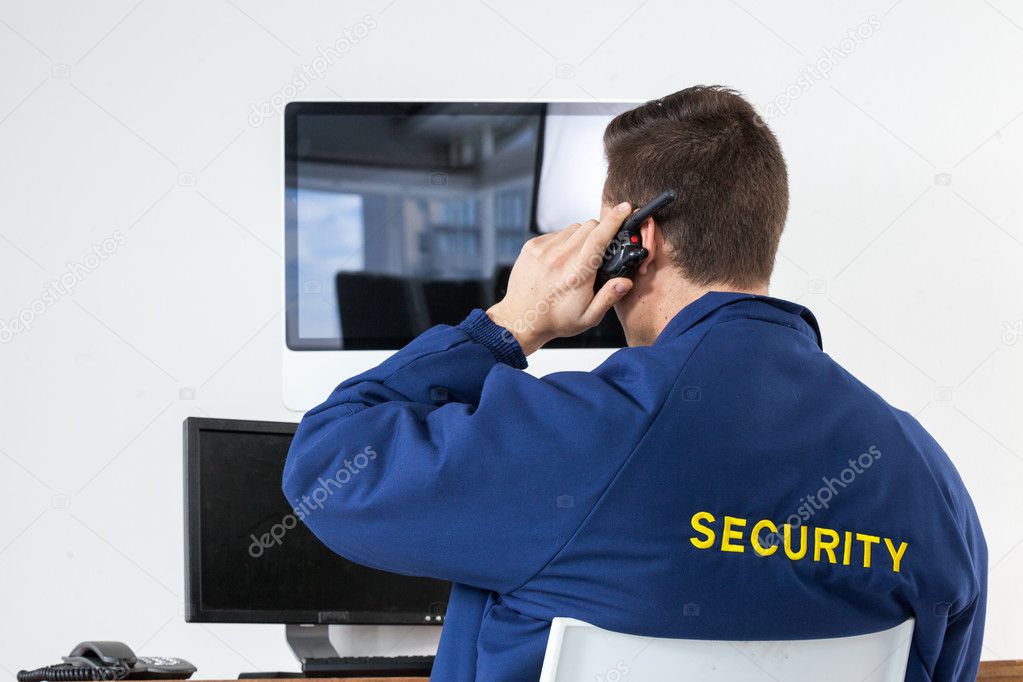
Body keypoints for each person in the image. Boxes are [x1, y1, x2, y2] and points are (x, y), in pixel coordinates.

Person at [282, 86, 986, 681]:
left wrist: (509, 324)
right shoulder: (925, 476)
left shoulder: (577, 432)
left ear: (635, 241)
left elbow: (330, 468)